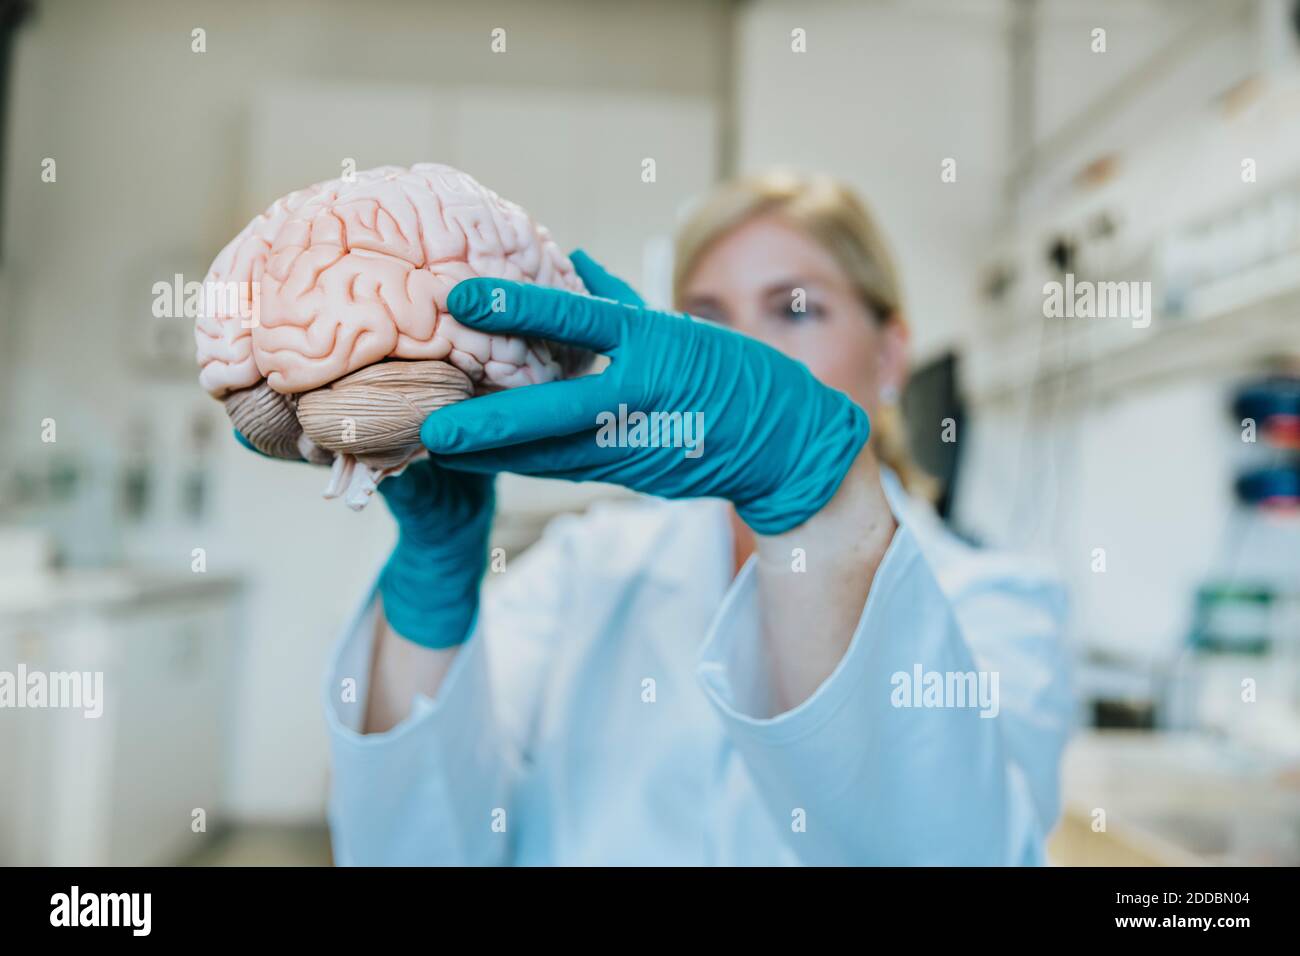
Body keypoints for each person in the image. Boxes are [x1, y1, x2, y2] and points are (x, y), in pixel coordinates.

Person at [318, 170, 1073, 865]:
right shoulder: (590, 566)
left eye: (795, 308)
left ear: (889, 355)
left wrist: (816, 494)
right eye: (707, 317)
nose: (745, 347)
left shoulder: (998, 606)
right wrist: (433, 579)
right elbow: (413, 854)